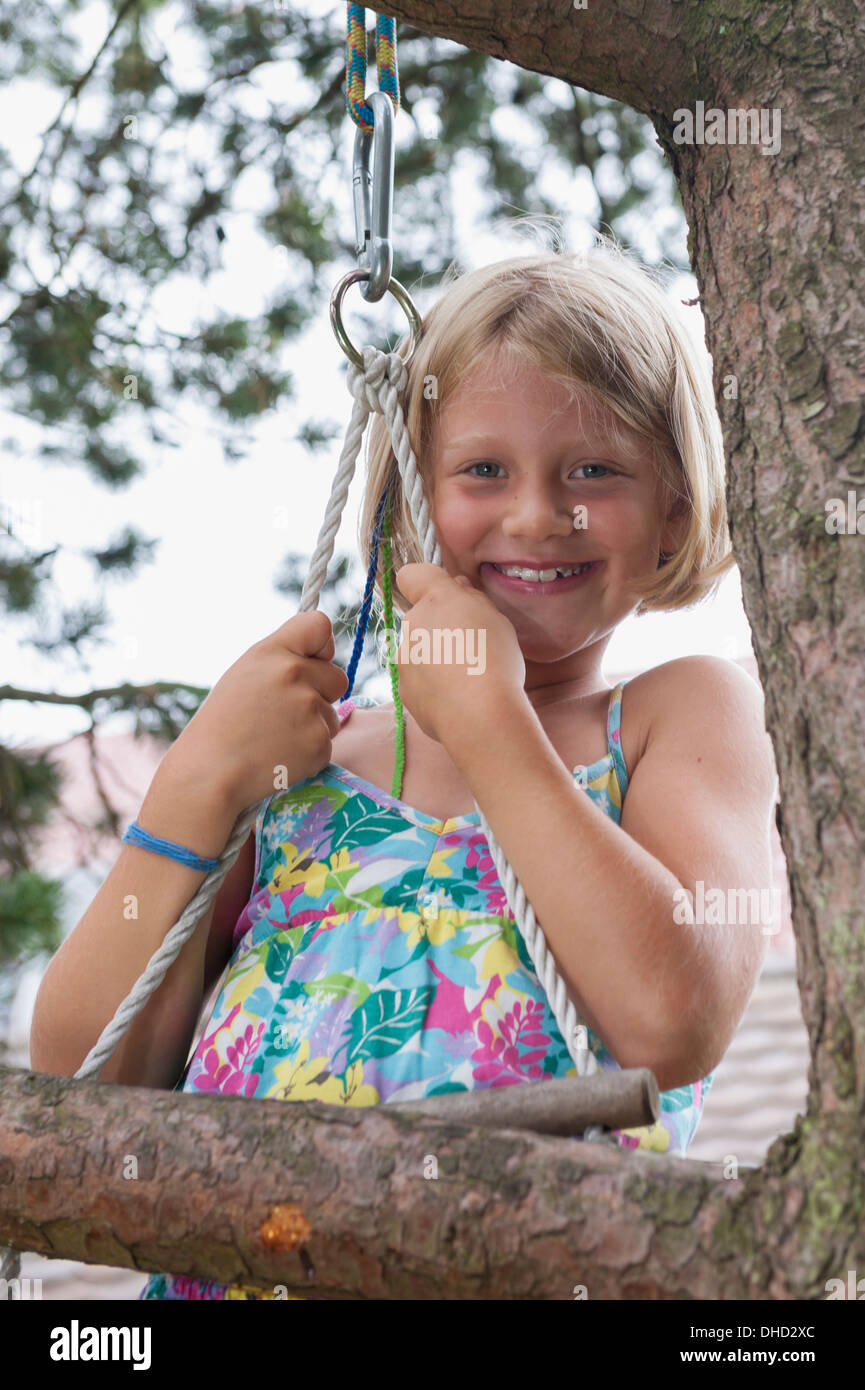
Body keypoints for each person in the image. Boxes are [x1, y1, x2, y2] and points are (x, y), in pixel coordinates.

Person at [29, 236, 779, 1300]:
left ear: (672, 513)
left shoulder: (676, 712)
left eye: (594, 470)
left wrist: (489, 722)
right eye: (482, 470)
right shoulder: (310, 762)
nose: (534, 514)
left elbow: (675, 1020)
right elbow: (82, 1074)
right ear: (409, 498)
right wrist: (193, 786)